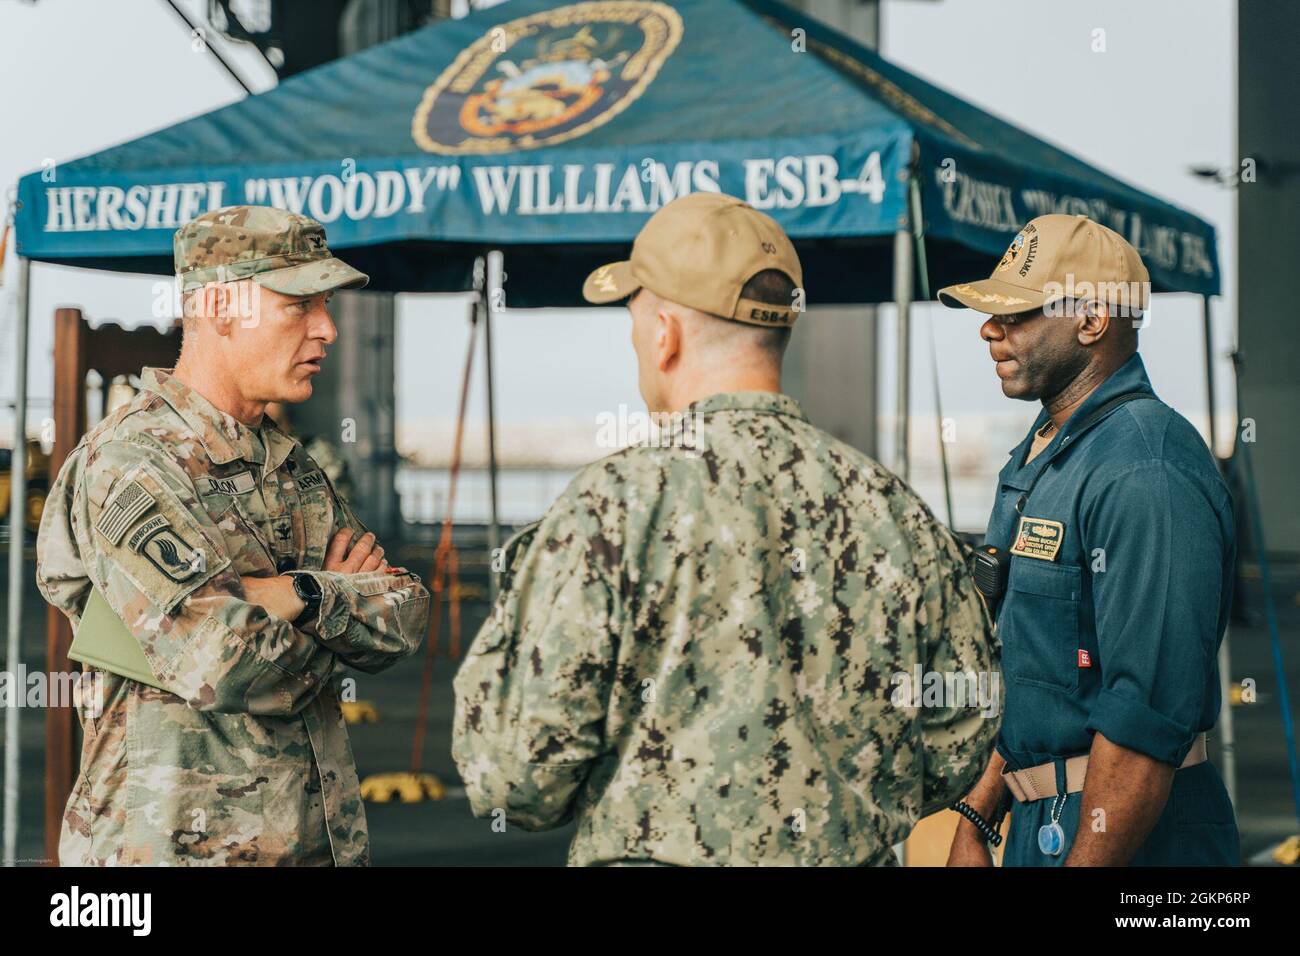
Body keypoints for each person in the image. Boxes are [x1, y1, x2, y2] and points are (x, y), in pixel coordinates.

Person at [452, 192, 998, 866]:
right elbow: (960, 736)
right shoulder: (896, 509)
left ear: (664, 334)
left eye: (635, 319)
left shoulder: (611, 506)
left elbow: (516, 777)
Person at [36, 205, 430, 866]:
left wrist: (297, 594)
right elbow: (225, 664)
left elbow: (404, 614)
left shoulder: (288, 463)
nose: (328, 329)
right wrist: (335, 602)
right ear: (220, 307)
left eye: (326, 305)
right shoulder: (135, 462)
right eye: (299, 306)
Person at [938, 214, 1238, 867]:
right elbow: (1034, 674)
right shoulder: (1048, 454)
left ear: (1092, 319)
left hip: (1127, 839)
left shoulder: (1145, 469)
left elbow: (1144, 719)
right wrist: (976, 815)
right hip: (1038, 824)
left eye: (1016, 314)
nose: (990, 329)